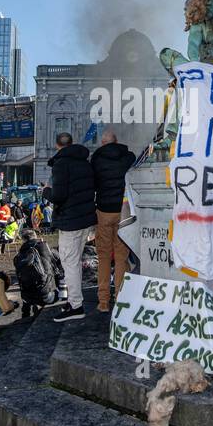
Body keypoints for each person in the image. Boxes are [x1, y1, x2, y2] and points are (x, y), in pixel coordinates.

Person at [45, 132, 97, 322]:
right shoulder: (84, 162)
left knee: (70, 263)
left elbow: (58, 195)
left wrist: (46, 191)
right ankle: (75, 301)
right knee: (74, 261)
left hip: (71, 221)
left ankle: (76, 306)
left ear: (57, 144)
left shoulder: (61, 164)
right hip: (85, 219)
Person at [90, 131, 135, 315]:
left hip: (104, 211)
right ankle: (120, 297)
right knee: (122, 256)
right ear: (117, 142)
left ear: (103, 143)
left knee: (104, 257)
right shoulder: (128, 157)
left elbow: (92, 184)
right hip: (123, 210)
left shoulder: (96, 159)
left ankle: (103, 302)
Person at [13, 228, 63, 318]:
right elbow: (61, 268)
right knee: (63, 288)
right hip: (47, 295)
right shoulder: (46, 249)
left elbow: (21, 282)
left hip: (28, 297)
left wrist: (25, 312)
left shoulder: (18, 257)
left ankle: (27, 313)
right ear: (36, 237)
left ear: (23, 240)